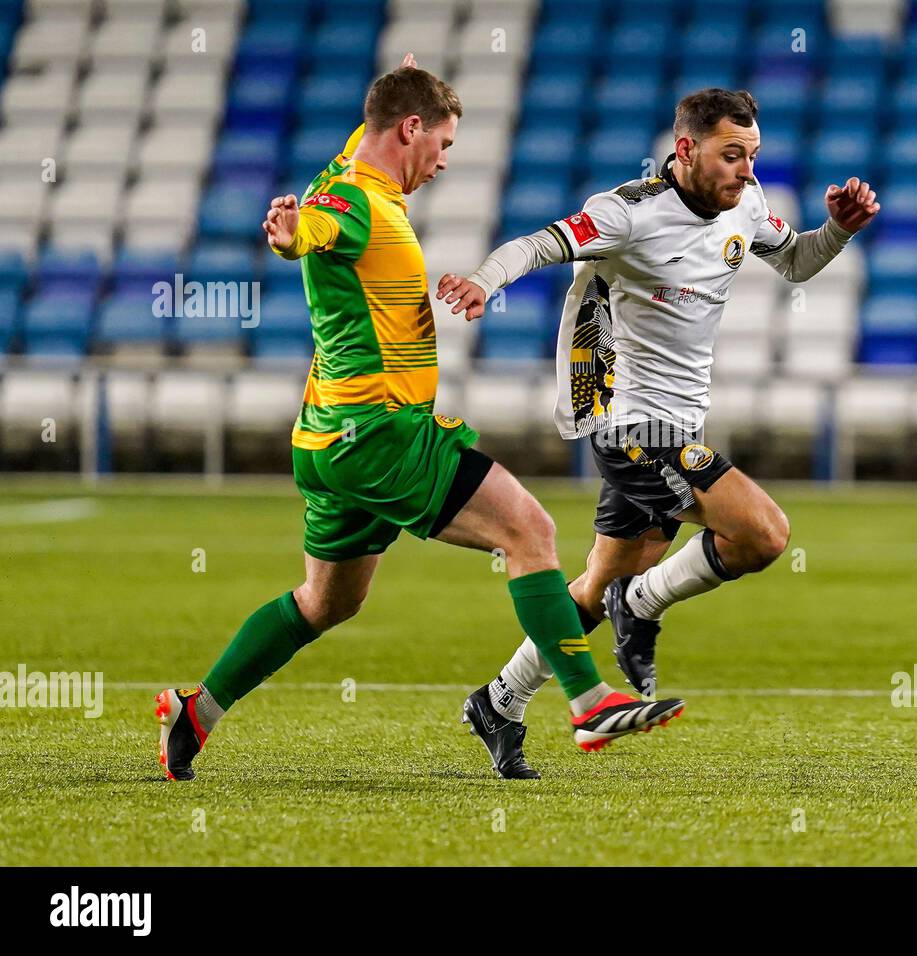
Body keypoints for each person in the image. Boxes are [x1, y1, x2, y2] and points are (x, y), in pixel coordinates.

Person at [154, 58, 685, 782]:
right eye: (443, 142)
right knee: (529, 531)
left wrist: (402, 79)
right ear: (411, 129)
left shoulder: (349, 167)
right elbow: (314, 230)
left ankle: (197, 712)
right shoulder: (353, 203)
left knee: (325, 601)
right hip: (378, 433)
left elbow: (354, 156)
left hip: (325, 438)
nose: (443, 160)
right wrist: (287, 236)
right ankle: (588, 702)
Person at [437, 88, 880, 778]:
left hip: (680, 425)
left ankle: (500, 700)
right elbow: (537, 245)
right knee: (764, 534)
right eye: (732, 154)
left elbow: (795, 261)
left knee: (594, 582)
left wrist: (840, 230)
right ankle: (640, 606)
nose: (745, 169)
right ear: (685, 150)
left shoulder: (749, 203)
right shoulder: (629, 213)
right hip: (630, 424)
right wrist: (481, 281)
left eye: (753, 155)